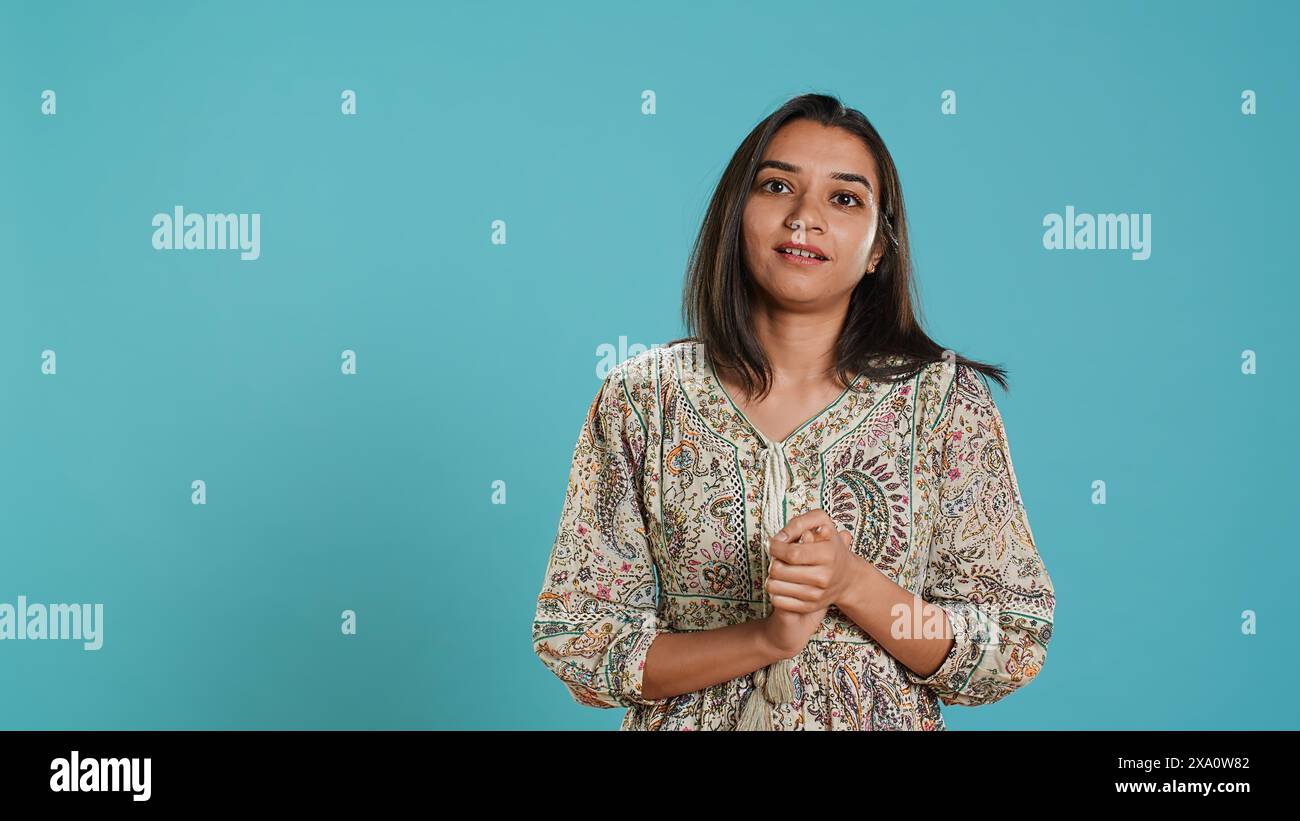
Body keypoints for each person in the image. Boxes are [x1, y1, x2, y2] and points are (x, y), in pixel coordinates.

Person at [531, 93, 1055, 730]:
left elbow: (1009, 642)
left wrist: (852, 584)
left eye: (844, 198)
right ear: (736, 215)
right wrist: (767, 640)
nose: (804, 217)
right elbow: (580, 639)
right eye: (778, 186)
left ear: (879, 247)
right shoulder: (644, 398)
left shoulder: (942, 402)